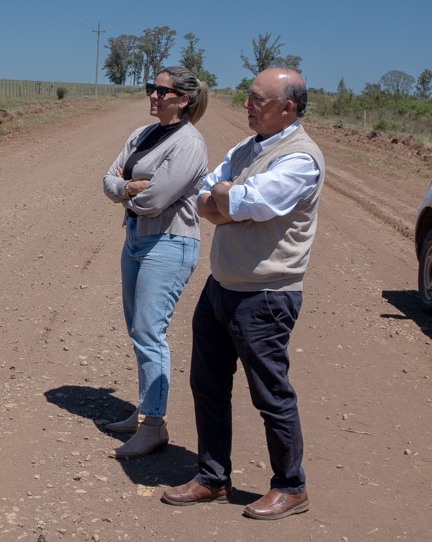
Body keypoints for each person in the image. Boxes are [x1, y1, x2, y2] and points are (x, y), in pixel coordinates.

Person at [162, 67, 325, 521]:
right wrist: (227, 200)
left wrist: (229, 199)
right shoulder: (247, 148)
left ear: (288, 108)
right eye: (248, 97)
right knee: (207, 384)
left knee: (270, 394)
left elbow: (249, 201)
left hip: (265, 295)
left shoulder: (300, 158)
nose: (247, 105)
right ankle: (212, 477)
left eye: (257, 99)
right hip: (221, 287)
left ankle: (291, 487)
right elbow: (207, 196)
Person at [101, 66, 209, 458]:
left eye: (162, 91)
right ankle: (145, 410)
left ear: (183, 99)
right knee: (138, 330)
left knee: (150, 332)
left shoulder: (189, 143)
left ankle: (153, 425)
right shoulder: (142, 135)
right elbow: (108, 181)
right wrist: (129, 186)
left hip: (169, 242)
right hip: (136, 238)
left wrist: (128, 191)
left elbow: (156, 200)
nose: (154, 95)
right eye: (152, 88)